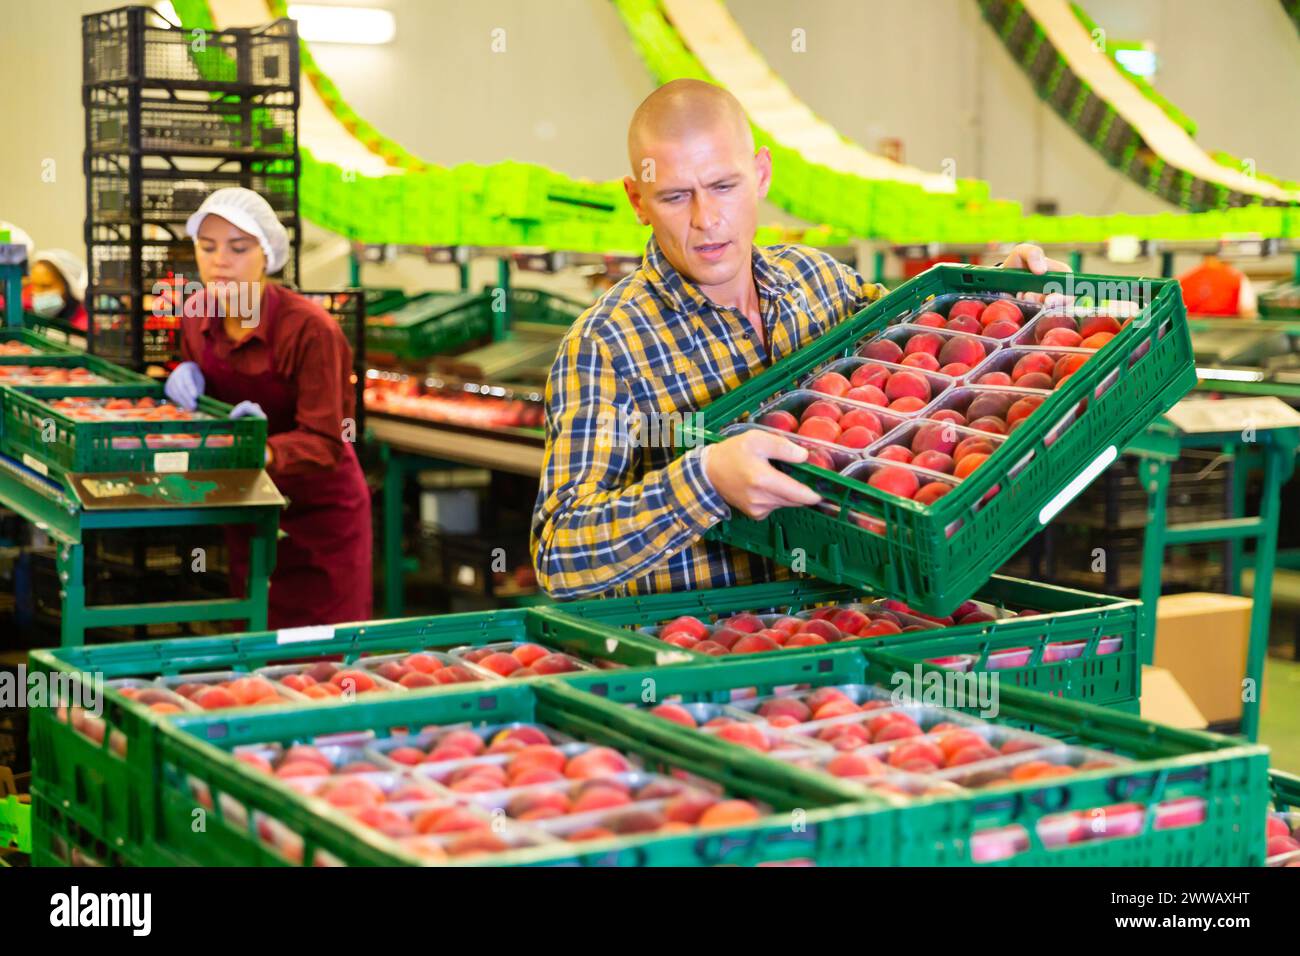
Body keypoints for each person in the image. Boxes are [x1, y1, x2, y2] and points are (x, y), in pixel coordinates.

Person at [531, 79, 1068, 600]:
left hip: (851, 628)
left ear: (761, 174)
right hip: (712, 659)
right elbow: (559, 556)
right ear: (637, 200)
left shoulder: (819, 284)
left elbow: (927, 345)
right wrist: (704, 480)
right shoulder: (606, 345)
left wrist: (1006, 295)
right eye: (675, 197)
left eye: (724, 186)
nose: (706, 219)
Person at [164, 187, 372, 628]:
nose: (220, 260)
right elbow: (191, 375)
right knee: (256, 643)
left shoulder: (310, 330)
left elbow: (326, 441)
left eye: (238, 248)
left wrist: (269, 451)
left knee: (322, 657)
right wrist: (186, 374)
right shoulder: (197, 314)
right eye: (207, 247)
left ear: (267, 255)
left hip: (319, 513)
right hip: (250, 502)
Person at [26, 249, 90, 331]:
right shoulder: (27, 311)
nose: (36, 293)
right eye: (34, 285)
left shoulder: (83, 327)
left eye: (45, 286)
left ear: (69, 286)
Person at [1178, 255, 1258, 318]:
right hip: (1227, 336)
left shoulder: (1183, 280)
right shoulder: (1237, 278)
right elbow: (1248, 315)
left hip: (1192, 336)